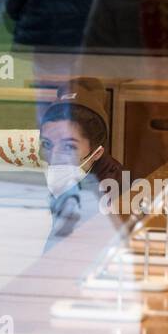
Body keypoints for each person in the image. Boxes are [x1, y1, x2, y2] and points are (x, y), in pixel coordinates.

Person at [39, 83, 126, 246]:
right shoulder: (71, 183)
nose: (54, 157)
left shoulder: (110, 195)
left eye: (69, 146)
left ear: (97, 153)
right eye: (47, 144)